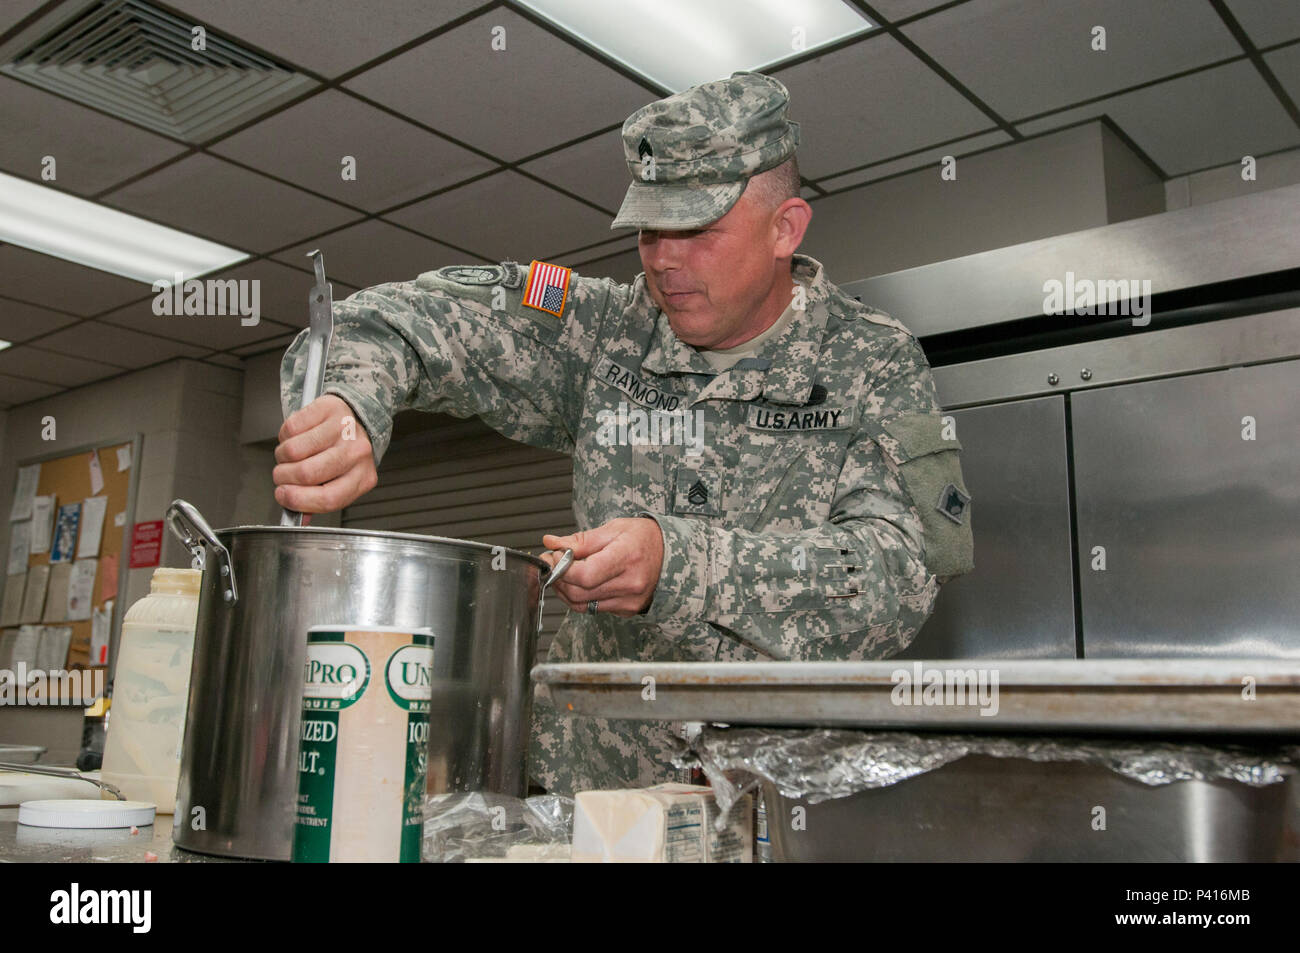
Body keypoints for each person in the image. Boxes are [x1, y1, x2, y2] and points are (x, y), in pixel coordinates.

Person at [275, 71, 974, 796]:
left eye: (696, 230)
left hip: (777, 810)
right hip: (590, 800)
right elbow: (388, 320)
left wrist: (680, 561)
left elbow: (901, 574)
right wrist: (350, 402)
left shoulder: (873, 359)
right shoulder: (602, 330)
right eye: (648, 229)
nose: (663, 260)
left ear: (785, 227)